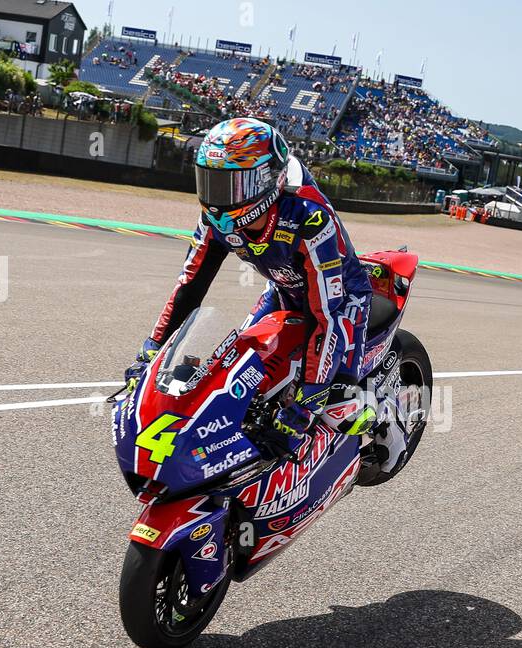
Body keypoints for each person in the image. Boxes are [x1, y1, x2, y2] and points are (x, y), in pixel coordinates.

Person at [125, 117, 408, 471]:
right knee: (232, 370)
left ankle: (385, 420)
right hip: (283, 290)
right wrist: (151, 351)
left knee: (334, 404)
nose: (216, 199)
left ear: (263, 181)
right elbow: (189, 286)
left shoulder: (309, 219)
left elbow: (328, 315)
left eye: (228, 184)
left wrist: (306, 403)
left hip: (342, 302)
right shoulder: (215, 221)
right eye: (210, 182)